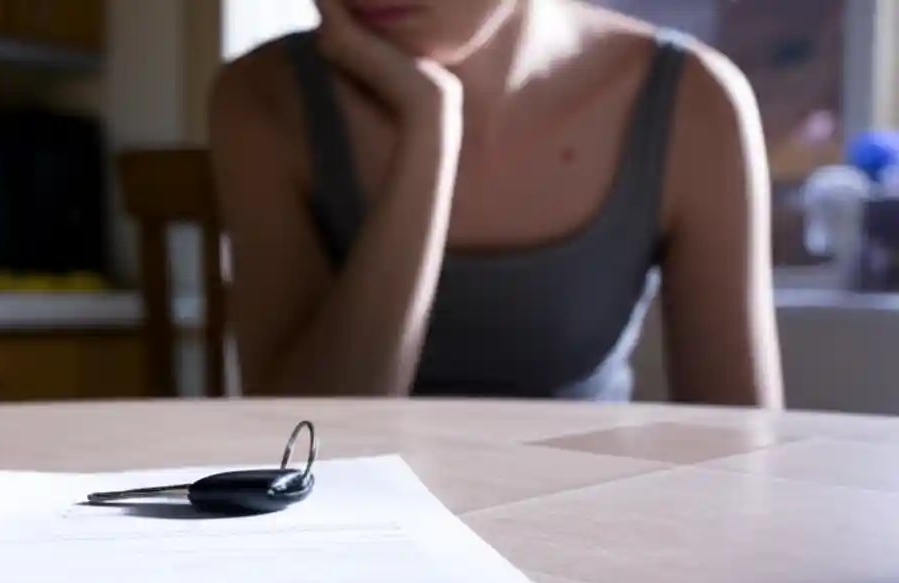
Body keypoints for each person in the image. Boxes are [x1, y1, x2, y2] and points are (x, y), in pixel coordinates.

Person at [207, 0, 785, 407]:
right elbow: (307, 437)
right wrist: (428, 131)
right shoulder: (263, 99)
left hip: (586, 538)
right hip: (352, 550)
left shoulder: (694, 100)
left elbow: (740, 451)